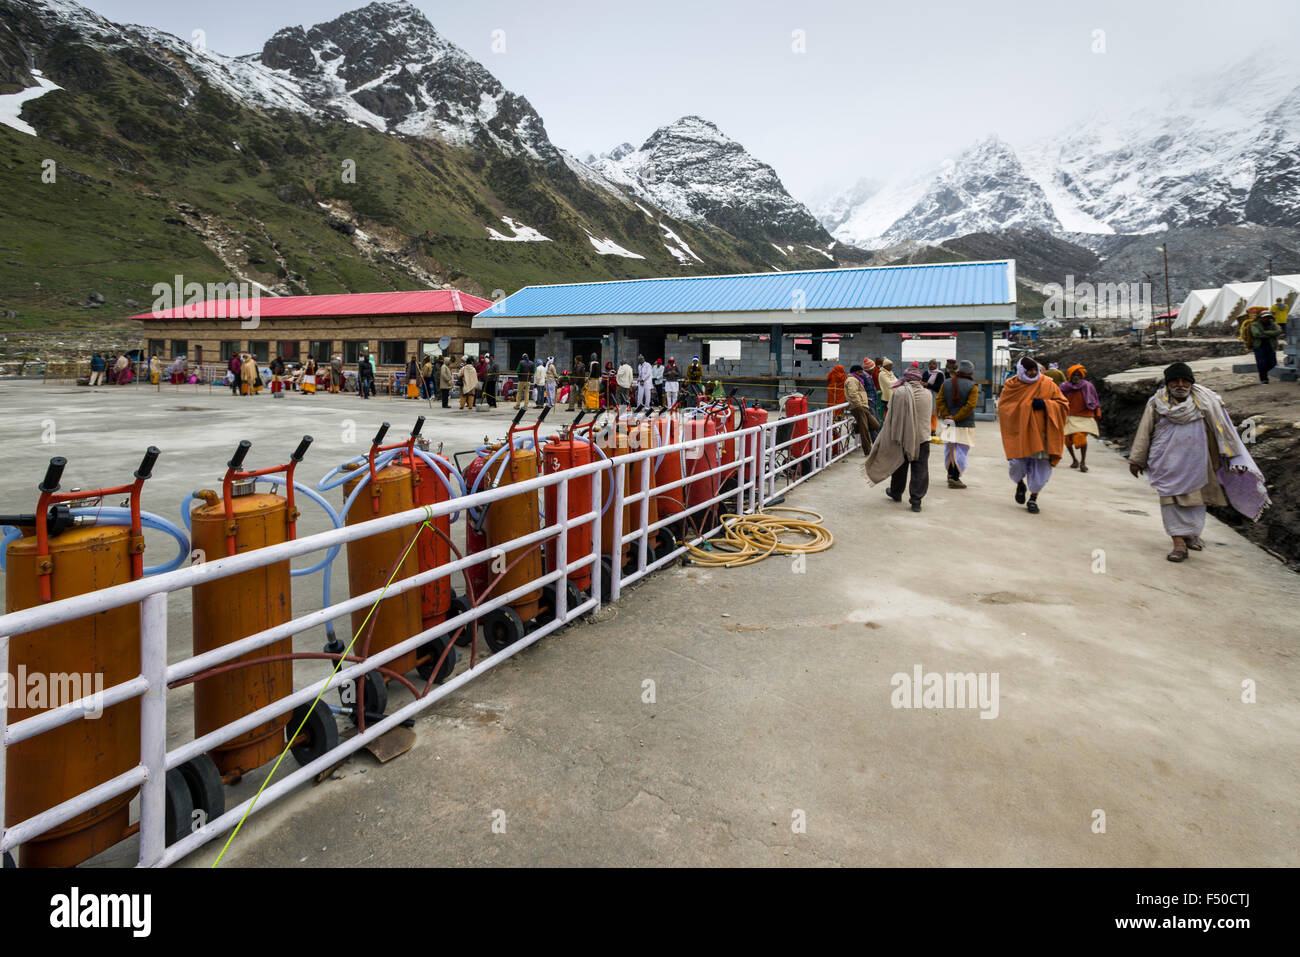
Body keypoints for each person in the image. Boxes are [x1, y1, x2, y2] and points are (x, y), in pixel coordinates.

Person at [1128, 362, 1269, 562]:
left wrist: (1233, 459)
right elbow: (1144, 432)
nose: (1180, 384)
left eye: (1185, 380)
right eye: (1175, 381)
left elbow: (1225, 432)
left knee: (1197, 501)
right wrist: (1137, 459)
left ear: (1191, 382)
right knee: (1170, 500)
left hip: (1199, 464)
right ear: (1167, 383)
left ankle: (1191, 534)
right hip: (1166, 464)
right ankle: (1178, 543)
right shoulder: (1156, 403)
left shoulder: (1208, 401)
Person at [998, 356, 1068, 514]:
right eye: (1029, 371)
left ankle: (1033, 498)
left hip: (1042, 435)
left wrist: (1046, 404)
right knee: (1017, 464)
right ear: (1021, 371)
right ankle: (1020, 484)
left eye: (1034, 370)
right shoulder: (1012, 385)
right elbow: (1004, 408)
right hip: (1020, 434)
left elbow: (1063, 404)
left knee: (1042, 468)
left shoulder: (1047, 384)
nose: (1032, 373)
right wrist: (1025, 408)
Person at [866, 363, 933, 512]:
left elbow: (891, 416)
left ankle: (896, 493)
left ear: (906, 379)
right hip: (922, 438)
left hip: (901, 437)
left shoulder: (899, 392)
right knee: (920, 469)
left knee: (899, 465)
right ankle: (916, 501)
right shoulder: (927, 394)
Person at [936, 359, 979, 489]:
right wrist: (956, 417)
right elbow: (970, 406)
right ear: (971, 371)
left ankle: (950, 474)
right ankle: (955, 477)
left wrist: (946, 416)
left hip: (949, 423)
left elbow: (940, 400)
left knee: (949, 450)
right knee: (962, 451)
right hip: (965, 424)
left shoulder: (947, 383)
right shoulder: (973, 386)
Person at [1060, 364, 1101, 472]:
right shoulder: (1064, 387)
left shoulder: (1088, 386)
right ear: (1069, 376)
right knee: (1067, 440)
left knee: (1080, 437)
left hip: (1084, 417)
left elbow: (1095, 400)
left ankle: (1083, 462)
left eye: (1079, 375)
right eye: (1074, 375)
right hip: (1068, 416)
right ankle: (1074, 460)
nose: (1076, 377)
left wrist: (1097, 412)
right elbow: (1058, 401)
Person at [845, 364, 880, 457]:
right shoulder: (852, 380)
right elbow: (853, 393)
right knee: (864, 430)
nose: (862, 373)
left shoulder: (857, 379)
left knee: (875, 424)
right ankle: (868, 451)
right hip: (858, 407)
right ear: (856, 372)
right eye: (860, 372)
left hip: (863, 406)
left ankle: (856, 427)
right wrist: (859, 404)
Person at [1247, 311, 1282, 384]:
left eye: (1268, 317)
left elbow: (1279, 331)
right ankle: (1264, 379)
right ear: (1260, 318)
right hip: (1259, 346)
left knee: (1273, 363)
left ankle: (1265, 373)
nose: (1266, 319)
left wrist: (1264, 332)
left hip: (1271, 345)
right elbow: (1256, 334)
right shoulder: (1254, 325)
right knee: (1261, 363)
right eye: (1264, 317)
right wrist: (1271, 333)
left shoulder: (1273, 324)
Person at [922, 359, 945, 435]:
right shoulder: (925, 373)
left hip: (935, 396)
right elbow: (922, 382)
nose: (931, 365)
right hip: (925, 395)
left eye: (933, 364)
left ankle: (933, 430)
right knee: (925, 412)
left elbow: (939, 387)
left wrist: (927, 385)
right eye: (930, 364)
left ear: (936, 365)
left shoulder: (940, 374)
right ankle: (926, 429)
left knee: (934, 413)